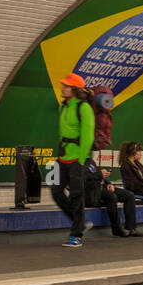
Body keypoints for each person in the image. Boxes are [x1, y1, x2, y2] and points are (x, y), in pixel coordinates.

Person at [52, 74, 96, 249]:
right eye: (63, 85)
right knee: (55, 190)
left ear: (76, 90)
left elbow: (88, 134)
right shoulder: (63, 106)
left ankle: (76, 235)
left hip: (78, 158)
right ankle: (81, 222)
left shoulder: (83, 107)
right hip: (62, 156)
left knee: (77, 196)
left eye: (67, 86)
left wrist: (82, 160)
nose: (63, 88)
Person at [84, 156, 143, 238]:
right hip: (90, 190)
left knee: (129, 195)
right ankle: (117, 229)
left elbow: (98, 175)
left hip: (101, 186)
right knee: (111, 196)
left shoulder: (90, 161)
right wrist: (98, 174)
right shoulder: (76, 163)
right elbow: (82, 177)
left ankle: (131, 228)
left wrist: (108, 183)